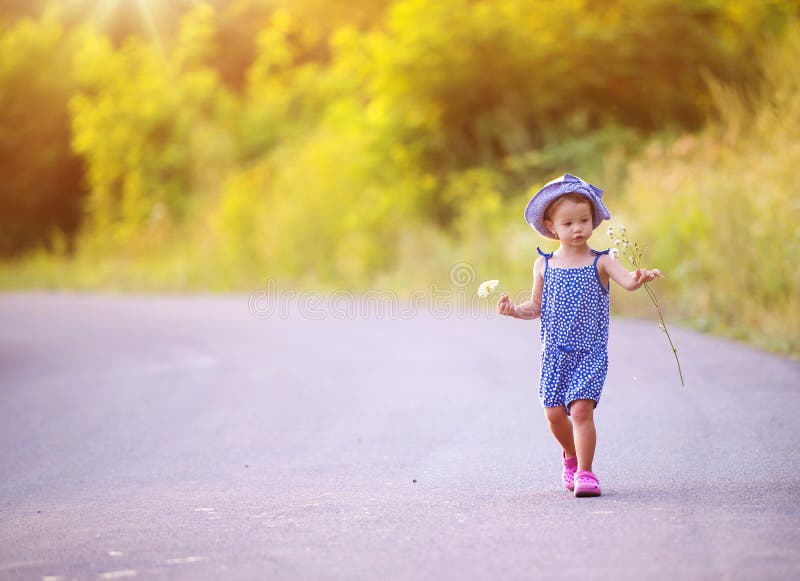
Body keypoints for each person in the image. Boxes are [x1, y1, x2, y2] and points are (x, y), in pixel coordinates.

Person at [497, 173, 661, 498]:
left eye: (584, 220)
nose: (577, 229)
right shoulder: (543, 265)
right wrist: (515, 310)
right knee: (554, 414)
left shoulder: (602, 262)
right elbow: (535, 307)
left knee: (582, 411)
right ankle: (570, 457)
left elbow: (626, 281)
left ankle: (586, 472)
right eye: (568, 223)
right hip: (554, 353)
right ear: (551, 227)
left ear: (593, 222)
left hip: (590, 351)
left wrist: (638, 278)